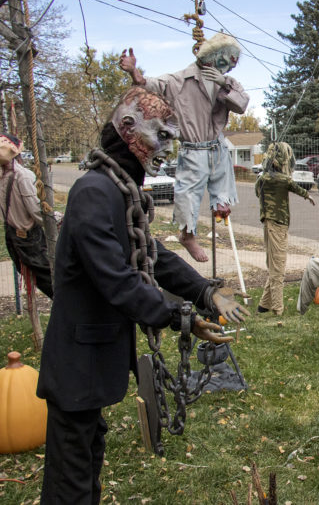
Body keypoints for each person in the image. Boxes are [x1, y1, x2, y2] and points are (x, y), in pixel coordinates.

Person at [36, 87, 250, 505]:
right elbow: (117, 280)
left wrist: (206, 292)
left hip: (93, 365)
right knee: (70, 484)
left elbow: (153, 255)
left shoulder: (116, 192)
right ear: (129, 129)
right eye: (163, 136)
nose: (168, 148)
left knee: (86, 463)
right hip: (77, 366)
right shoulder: (94, 193)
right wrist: (179, 317)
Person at [119, 33, 250, 262]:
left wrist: (224, 84)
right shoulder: (179, 81)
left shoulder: (226, 82)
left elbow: (242, 104)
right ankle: (187, 235)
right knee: (187, 195)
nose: (228, 67)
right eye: (226, 61)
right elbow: (147, 84)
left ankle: (220, 205)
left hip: (217, 147)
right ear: (212, 56)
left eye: (232, 64)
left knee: (223, 188)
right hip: (193, 149)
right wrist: (133, 71)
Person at [254, 141, 315, 316]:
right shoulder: (281, 180)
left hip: (269, 225)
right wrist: (307, 196)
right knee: (278, 268)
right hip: (277, 226)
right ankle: (278, 309)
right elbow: (294, 187)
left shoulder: (262, 180)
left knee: (274, 265)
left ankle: (263, 306)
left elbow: (258, 192)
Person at [0, 133, 52, 298]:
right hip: (29, 239)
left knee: (45, 280)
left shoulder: (3, 177)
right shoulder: (22, 176)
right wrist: (59, 218)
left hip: (13, 237)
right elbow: (36, 212)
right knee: (54, 280)